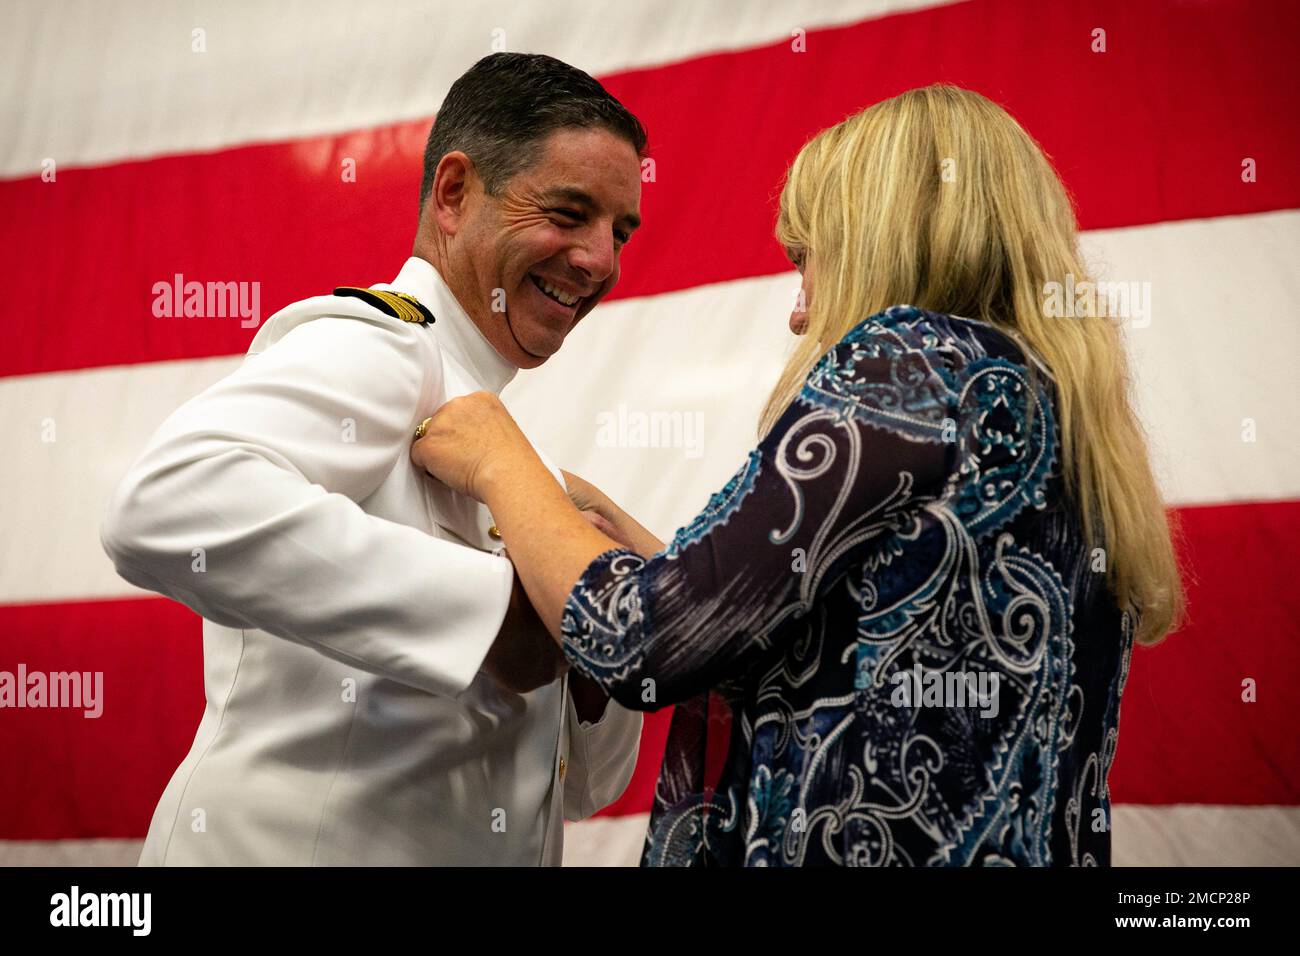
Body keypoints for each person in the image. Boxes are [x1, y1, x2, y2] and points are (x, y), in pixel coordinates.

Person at [410, 84, 1186, 866]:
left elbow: (646, 644)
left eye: (807, 260)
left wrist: (501, 463)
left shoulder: (906, 365)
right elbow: (862, 637)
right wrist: (646, 554)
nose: (800, 311)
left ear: (881, 239)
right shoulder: (1054, 406)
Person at [100, 53, 646, 865]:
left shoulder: (500, 441)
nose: (600, 259)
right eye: (569, 213)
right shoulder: (385, 345)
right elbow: (162, 503)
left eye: (619, 230)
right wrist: (494, 614)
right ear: (454, 194)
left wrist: (591, 626)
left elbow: (577, 787)